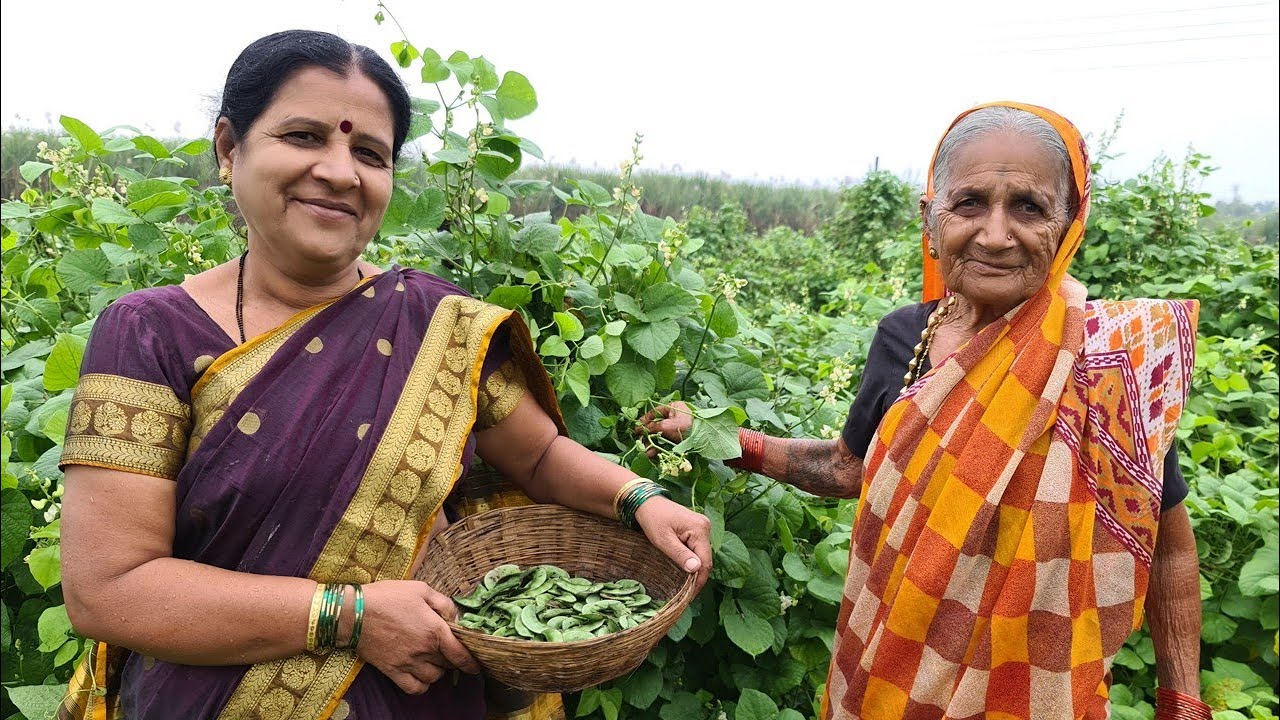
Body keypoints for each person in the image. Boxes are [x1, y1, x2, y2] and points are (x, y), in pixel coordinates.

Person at [56, 29, 711, 720]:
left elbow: (540, 453)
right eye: (304, 136)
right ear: (228, 147)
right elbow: (111, 590)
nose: (341, 173)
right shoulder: (150, 334)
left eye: (369, 152)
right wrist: (351, 614)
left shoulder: (435, 324)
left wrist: (642, 500)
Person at [645, 103, 1209, 719]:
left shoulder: (1110, 361)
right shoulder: (902, 338)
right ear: (930, 219)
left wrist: (1182, 697)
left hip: (1040, 685)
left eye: (1029, 206)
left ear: (1070, 222)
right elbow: (847, 469)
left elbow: (1172, 547)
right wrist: (720, 438)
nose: (996, 235)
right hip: (893, 661)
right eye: (969, 204)